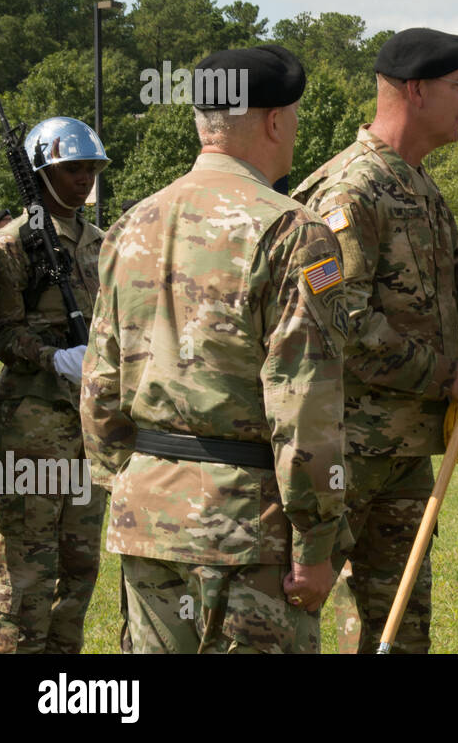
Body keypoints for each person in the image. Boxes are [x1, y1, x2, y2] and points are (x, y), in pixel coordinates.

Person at [81, 45, 350, 653]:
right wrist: (315, 541)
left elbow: (99, 384)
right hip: (245, 526)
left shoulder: (131, 224)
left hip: (148, 513)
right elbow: (306, 403)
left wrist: (130, 483)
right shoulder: (295, 231)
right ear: (276, 120)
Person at [292, 27, 458, 654]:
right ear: (415, 91)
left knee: (398, 632)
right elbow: (342, 321)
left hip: (403, 452)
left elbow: (447, 296)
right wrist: (446, 376)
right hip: (346, 450)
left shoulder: (419, 186)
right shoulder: (352, 192)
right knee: (295, 613)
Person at [0, 118, 107, 654]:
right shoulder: (11, 245)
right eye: (71, 169)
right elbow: (0, 329)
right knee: (25, 575)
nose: (83, 179)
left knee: (79, 570)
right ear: (43, 173)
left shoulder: (102, 243)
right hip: (30, 431)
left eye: (89, 169)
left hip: (88, 430)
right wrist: (51, 356)